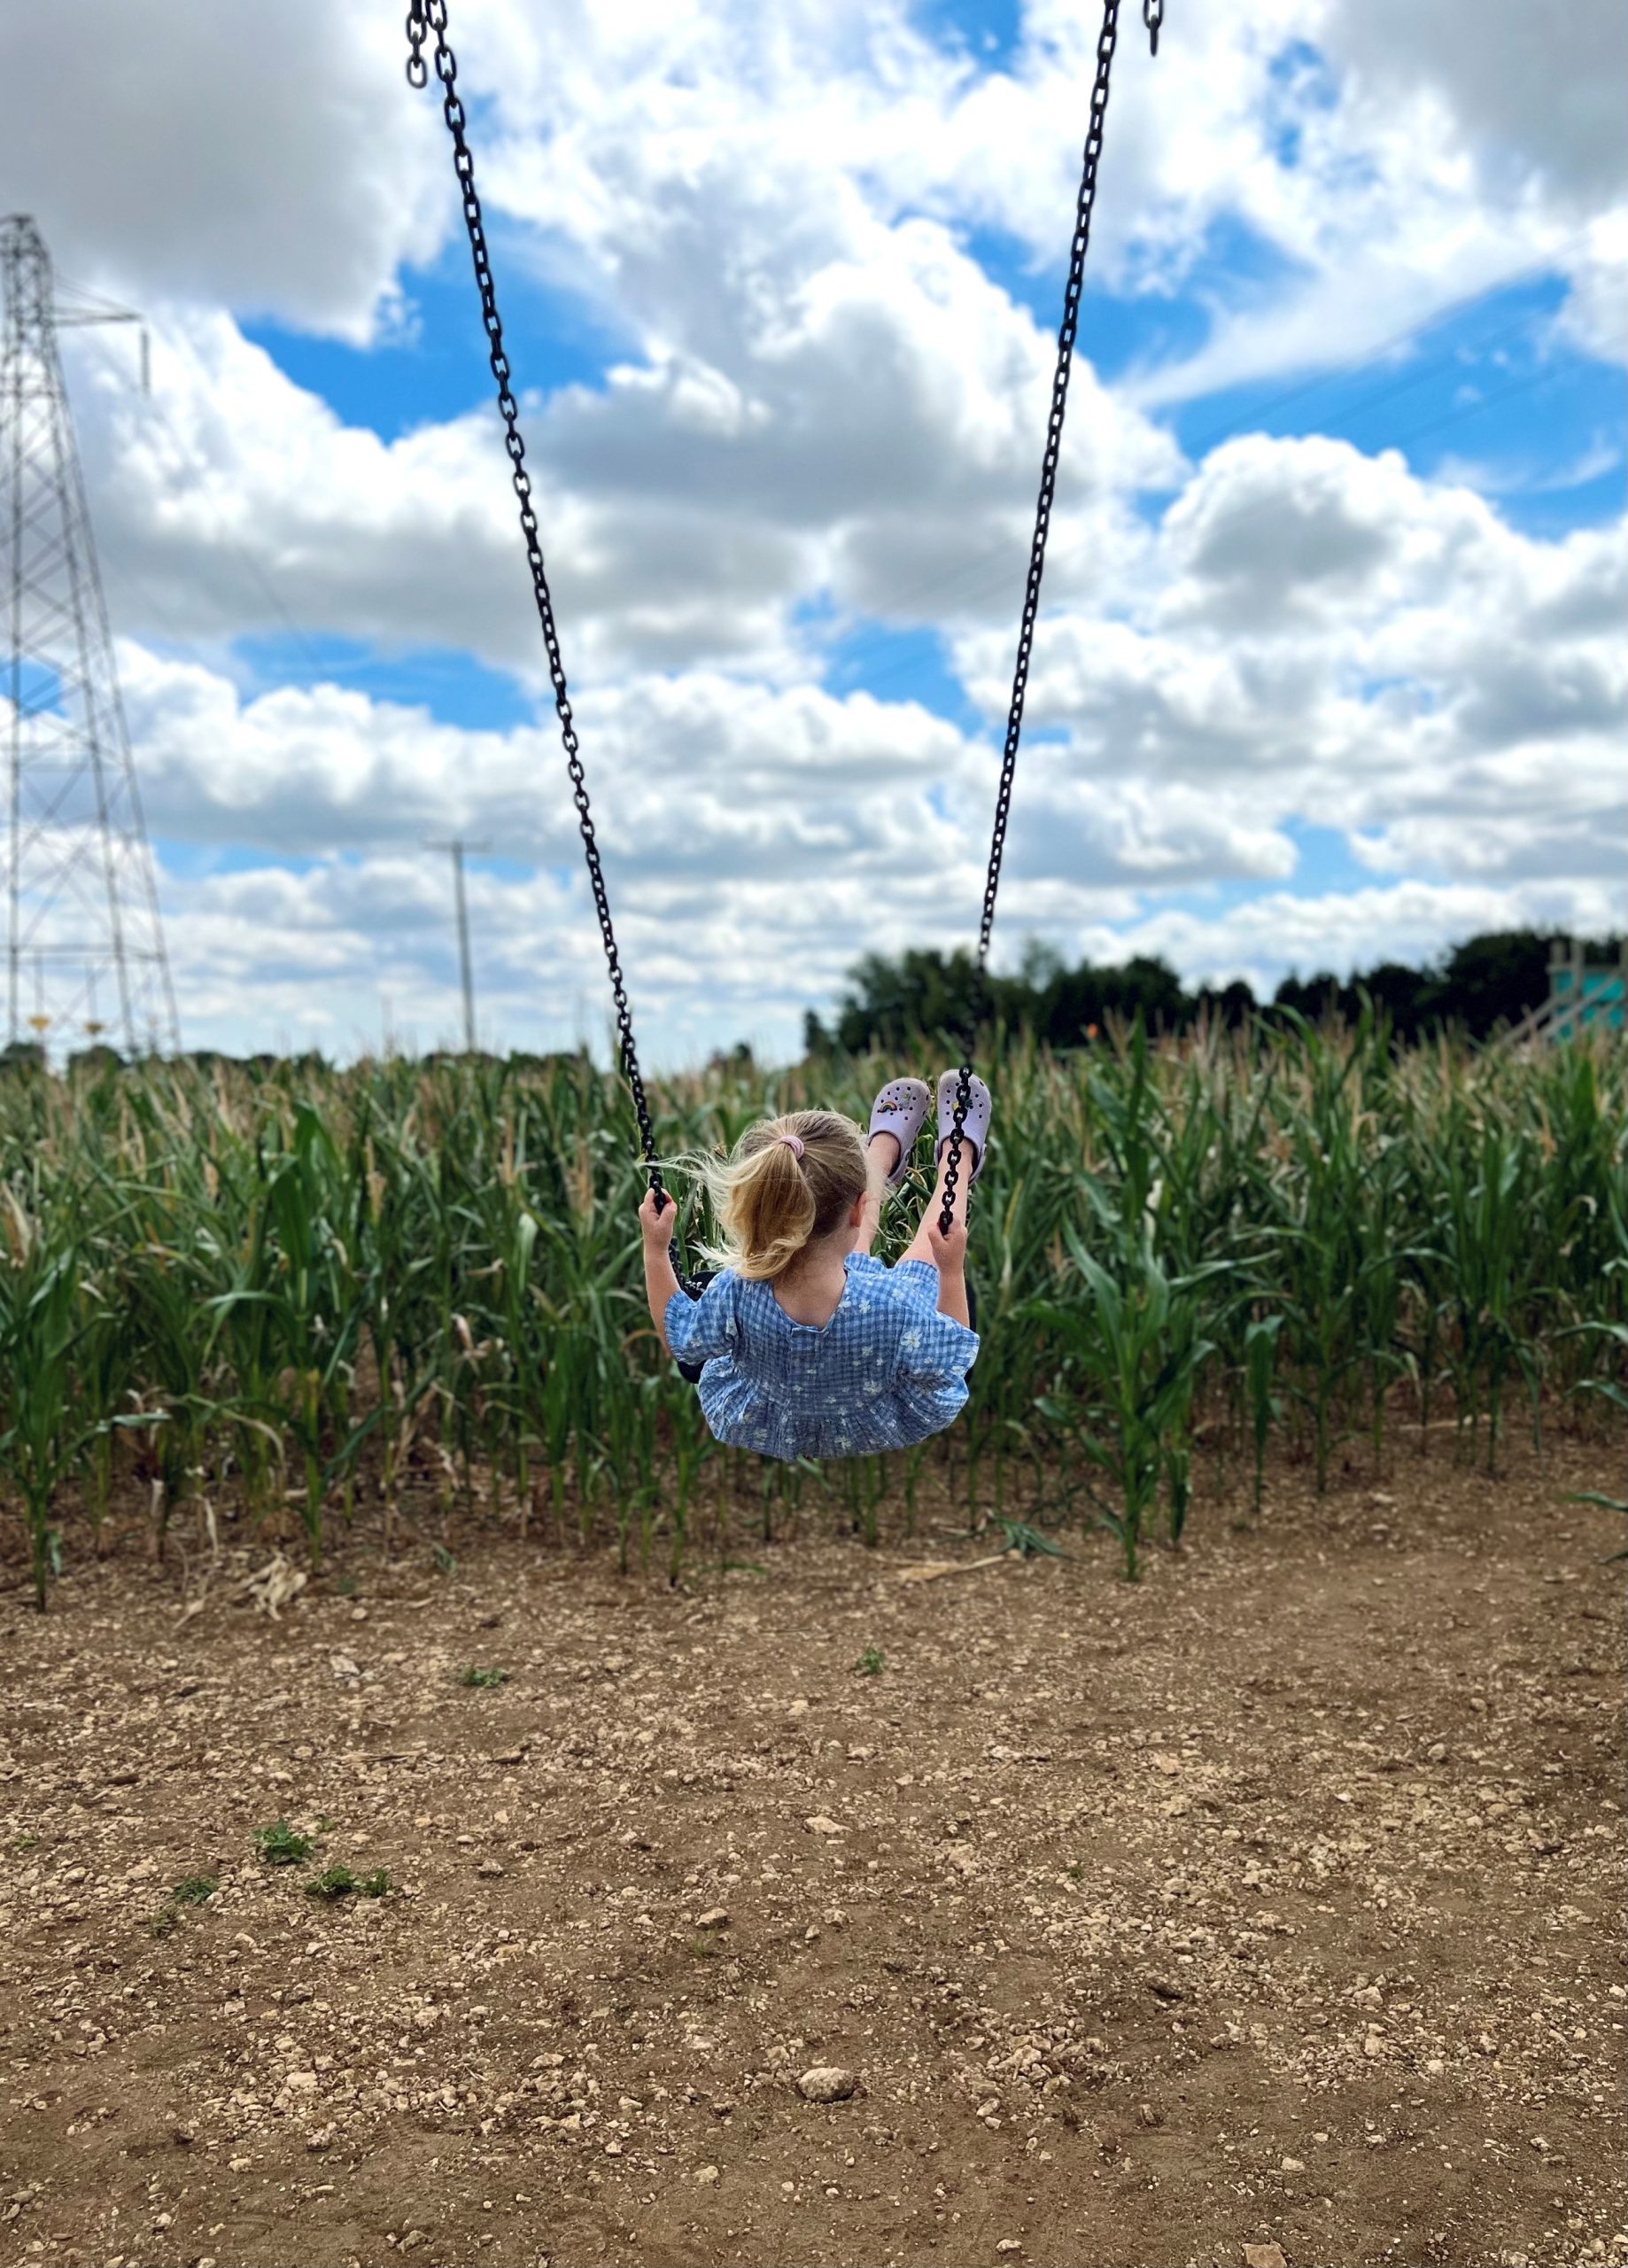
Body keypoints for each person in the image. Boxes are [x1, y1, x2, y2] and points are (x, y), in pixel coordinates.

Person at [638, 1073, 992, 1461]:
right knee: (932, 1250)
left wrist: (656, 1249)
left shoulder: (733, 1293)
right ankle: (955, 1164)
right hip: (877, 1415)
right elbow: (950, 1357)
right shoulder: (893, 1305)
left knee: (830, 1235)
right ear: (860, 1208)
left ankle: (880, 1153)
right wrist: (952, 1269)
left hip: (769, 1419)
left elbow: (679, 1336)